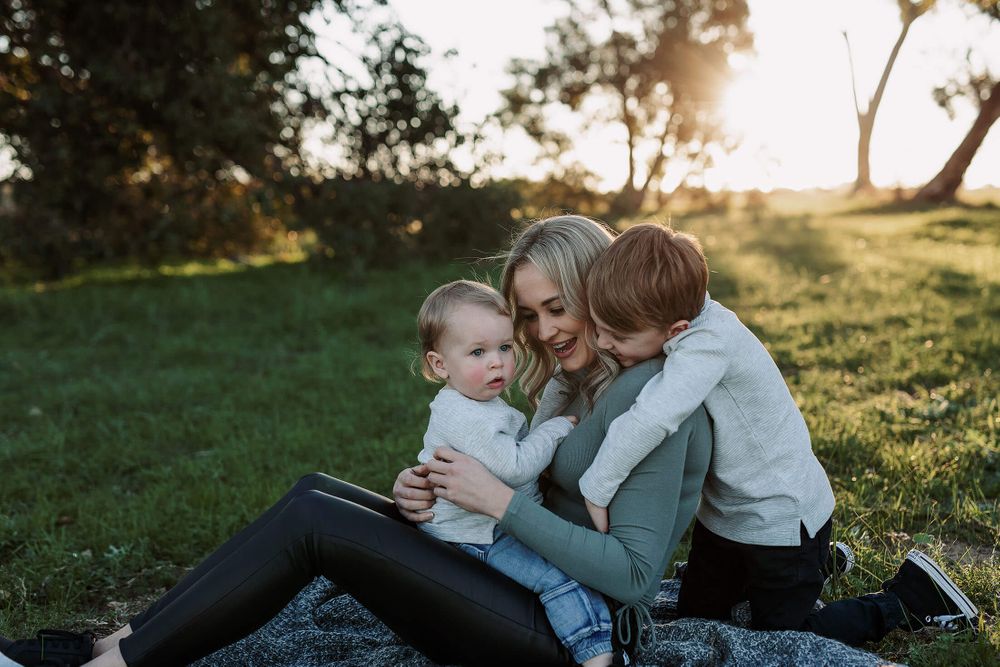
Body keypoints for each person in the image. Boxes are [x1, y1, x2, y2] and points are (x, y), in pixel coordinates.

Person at [15, 214, 711, 667]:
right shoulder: (568, 384)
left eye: (557, 308)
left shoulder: (652, 400)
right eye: (528, 314)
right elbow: (526, 492)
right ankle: (117, 641)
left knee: (316, 525)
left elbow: (634, 577)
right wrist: (428, 495)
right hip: (512, 576)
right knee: (313, 492)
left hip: (574, 634)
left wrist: (500, 501)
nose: (541, 331)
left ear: (601, 292)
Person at [578, 222, 980, 645]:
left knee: (784, 639)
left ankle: (911, 598)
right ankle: (815, 568)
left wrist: (597, 485)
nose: (602, 342)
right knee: (697, 615)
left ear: (676, 329)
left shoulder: (707, 345)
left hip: (781, 523)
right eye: (599, 326)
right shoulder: (682, 321)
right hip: (725, 520)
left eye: (618, 335)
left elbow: (651, 418)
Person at [413, 279, 614, 667]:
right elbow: (515, 465)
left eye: (505, 347)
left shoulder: (476, 404)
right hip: (477, 534)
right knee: (557, 578)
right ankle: (595, 654)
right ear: (440, 364)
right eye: (477, 352)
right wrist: (555, 430)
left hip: (487, 523)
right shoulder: (461, 412)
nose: (497, 362)